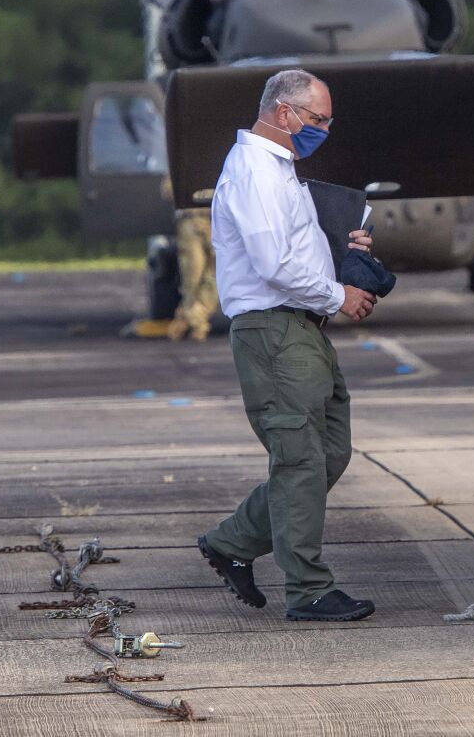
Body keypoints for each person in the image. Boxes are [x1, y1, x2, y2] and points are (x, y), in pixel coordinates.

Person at [196, 69, 379, 622]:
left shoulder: (280, 170)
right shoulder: (256, 171)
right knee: (300, 459)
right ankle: (308, 591)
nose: (323, 130)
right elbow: (273, 265)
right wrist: (337, 294)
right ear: (283, 113)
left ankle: (232, 541)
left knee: (328, 452)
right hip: (275, 329)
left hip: (301, 326)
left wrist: (345, 250)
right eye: (316, 119)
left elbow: (292, 250)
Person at [167, 208, 219, 342]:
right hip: (191, 219)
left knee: (215, 274)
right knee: (192, 277)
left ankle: (191, 318)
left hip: (218, 219)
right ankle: (196, 320)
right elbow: (169, 190)